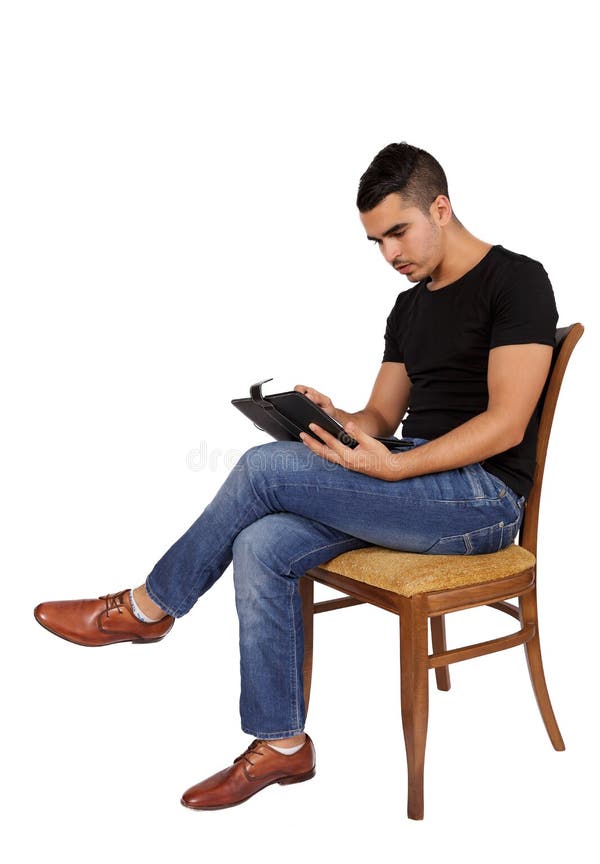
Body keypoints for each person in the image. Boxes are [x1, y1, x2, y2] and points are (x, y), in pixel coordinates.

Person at [34, 141, 558, 811]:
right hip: (412, 485)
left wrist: (396, 465)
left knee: (262, 470)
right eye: (376, 241)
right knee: (263, 542)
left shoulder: (516, 280)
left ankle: (147, 608)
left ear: (441, 207)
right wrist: (337, 419)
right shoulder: (409, 308)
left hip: (482, 501)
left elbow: (507, 424)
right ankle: (282, 744)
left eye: (398, 232)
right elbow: (380, 417)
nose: (389, 253)